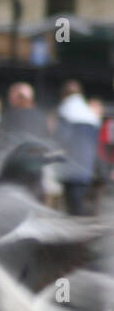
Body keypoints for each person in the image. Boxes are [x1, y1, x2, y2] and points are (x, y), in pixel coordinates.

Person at [54, 79, 100, 216]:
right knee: (82, 205)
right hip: (87, 168)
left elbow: (60, 140)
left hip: (70, 169)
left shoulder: (64, 111)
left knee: (73, 209)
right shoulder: (90, 114)